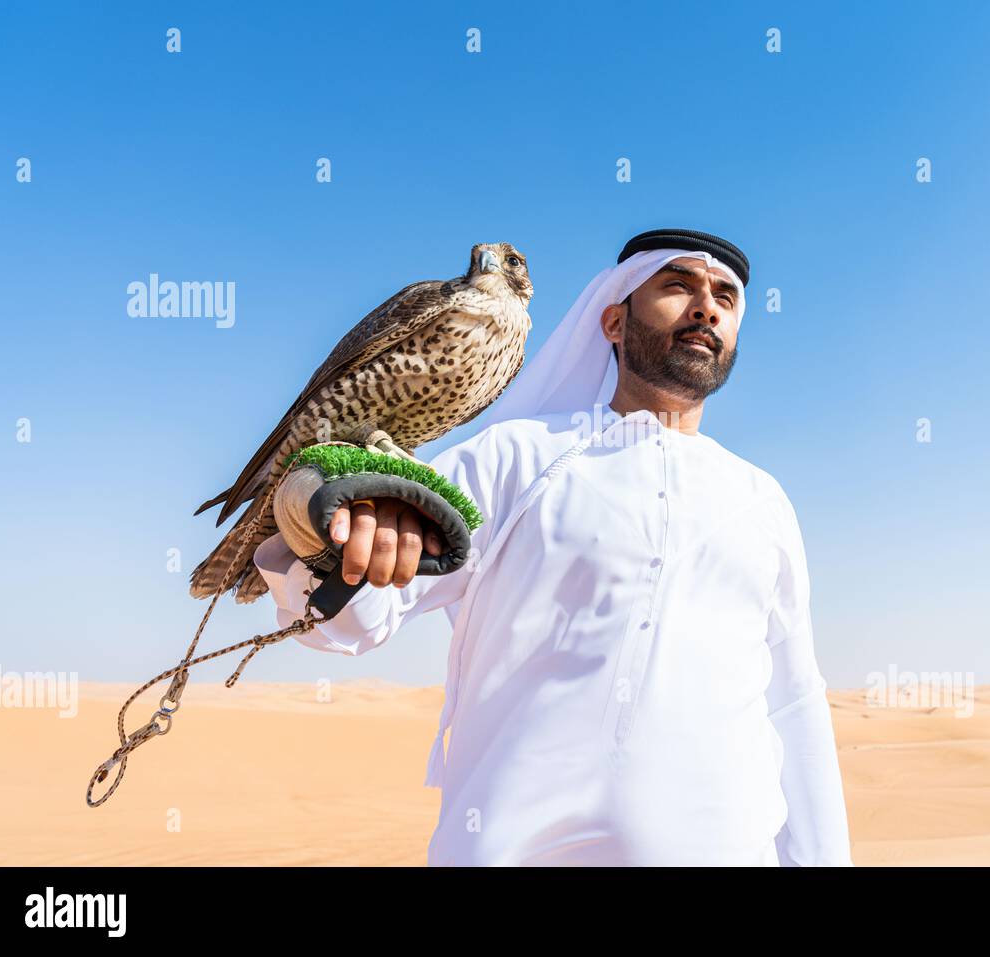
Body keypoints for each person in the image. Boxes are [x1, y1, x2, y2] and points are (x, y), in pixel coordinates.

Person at [252, 228, 854, 866]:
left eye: (725, 299)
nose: (706, 307)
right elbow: (345, 622)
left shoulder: (763, 502)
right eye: (677, 286)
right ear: (613, 321)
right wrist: (325, 528)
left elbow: (793, 705)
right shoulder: (516, 458)